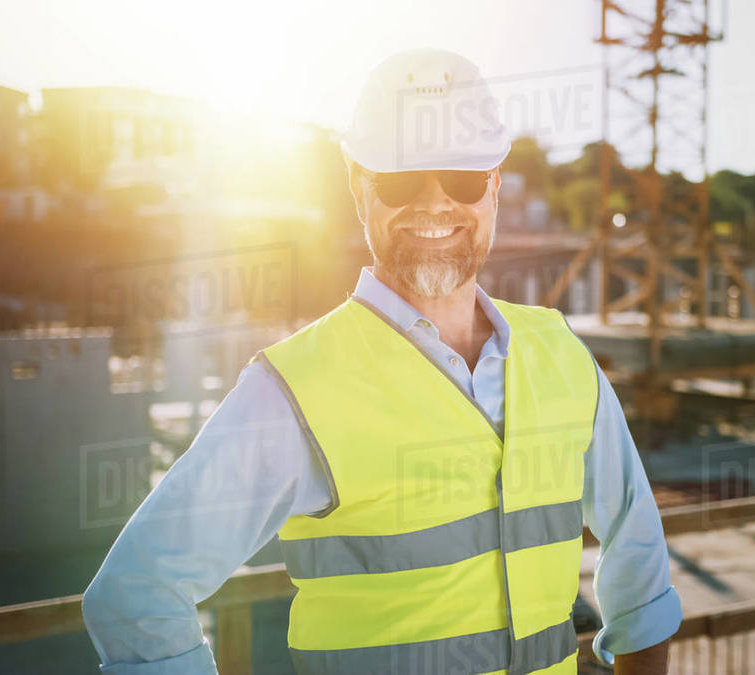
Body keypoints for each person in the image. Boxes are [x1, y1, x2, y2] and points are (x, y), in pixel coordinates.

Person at [82, 48, 680, 675]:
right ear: (357, 185)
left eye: (463, 177)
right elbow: (136, 597)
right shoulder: (292, 390)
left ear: (496, 184)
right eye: (399, 180)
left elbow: (639, 559)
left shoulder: (562, 355)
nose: (434, 203)